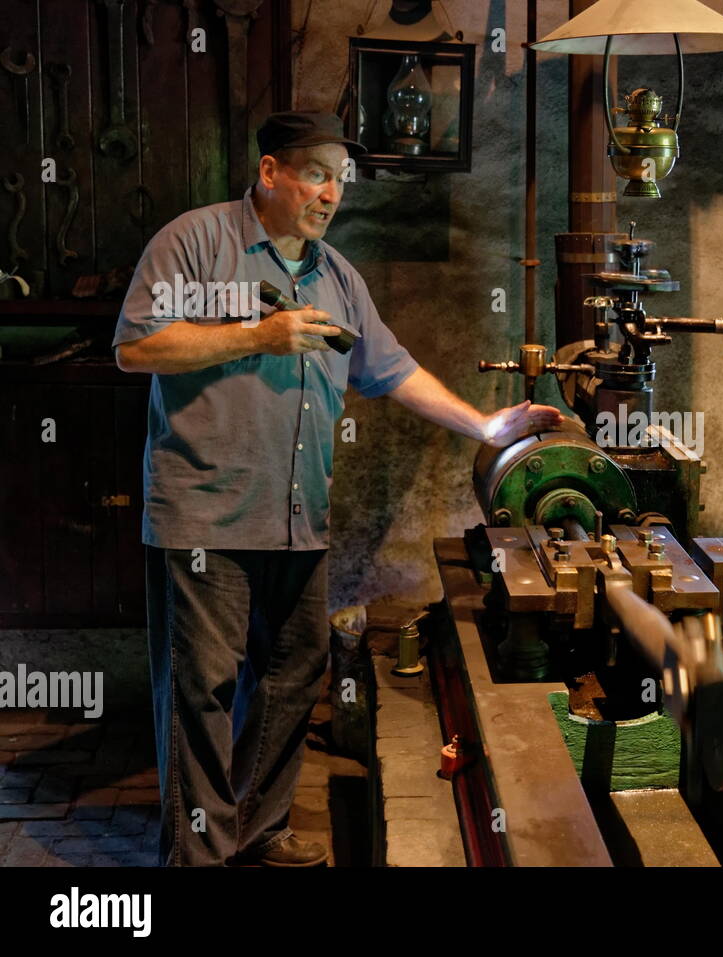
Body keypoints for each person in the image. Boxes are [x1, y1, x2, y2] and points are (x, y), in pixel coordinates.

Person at [112, 111, 564, 866]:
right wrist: (258, 335)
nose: (331, 193)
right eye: (318, 174)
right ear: (269, 173)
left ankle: (255, 829)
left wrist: (483, 426)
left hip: (297, 519)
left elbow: (393, 370)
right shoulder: (193, 242)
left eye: (341, 180)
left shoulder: (335, 276)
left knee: (295, 672)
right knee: (203, 691)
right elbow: (135, 345)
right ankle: (197, 855)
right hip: (206, 517)